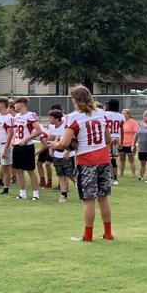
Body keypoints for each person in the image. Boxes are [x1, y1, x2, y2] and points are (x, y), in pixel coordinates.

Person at [50, 86, 113, 242]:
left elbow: (65, 143)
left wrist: (55, 145)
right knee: (103, 197)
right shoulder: (101, 113)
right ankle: (108, 233)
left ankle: (88, 236)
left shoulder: (73, 117)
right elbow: (108, 139)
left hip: (87, 160)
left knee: (88, 199)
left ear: (75, 99)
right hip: (103, 158)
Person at [11, 97, 43, 200]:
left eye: (16, 103)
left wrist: (26, 139)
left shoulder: (30, 115)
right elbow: (15, 131)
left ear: (22, 104)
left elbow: (38, 131)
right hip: (17, 145)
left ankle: (35, 194)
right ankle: (22, 193)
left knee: (30, 170)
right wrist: (13, 140)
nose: (14, 106)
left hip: (27, 146)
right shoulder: (16, 116)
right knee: (19, 170)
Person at [48, 109, 75, 203]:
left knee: (71, 174)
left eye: (51, 118)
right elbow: (56, 139)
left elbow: (71, 139)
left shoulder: (65, 126)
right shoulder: (54, 127)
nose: (49, 120)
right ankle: (63, 195)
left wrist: (67, 151)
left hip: (67, 154)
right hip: (58, 154)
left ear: (56, 118)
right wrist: (51, 148)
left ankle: (81, 188)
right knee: (61, 175)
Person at [105, 99, 125, 185]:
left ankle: (109, 176)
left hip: (106, 137)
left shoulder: (105, 114)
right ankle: (115, 178)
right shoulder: (121, 116)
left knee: (106, 158)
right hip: (116, 138)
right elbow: (122, 129)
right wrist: (122, 141)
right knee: (113, 159)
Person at [119, 108, 138, 178]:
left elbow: (136, 133)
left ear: (129, 114)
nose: (123, 115)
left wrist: (134, 144)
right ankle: (121, 174)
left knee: (131, 160)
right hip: (121, 143)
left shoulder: (133, 122)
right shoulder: (120, 121)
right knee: (121, 159)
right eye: (122, 113)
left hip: (130, 144)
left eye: (125, 113)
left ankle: (133, 174)